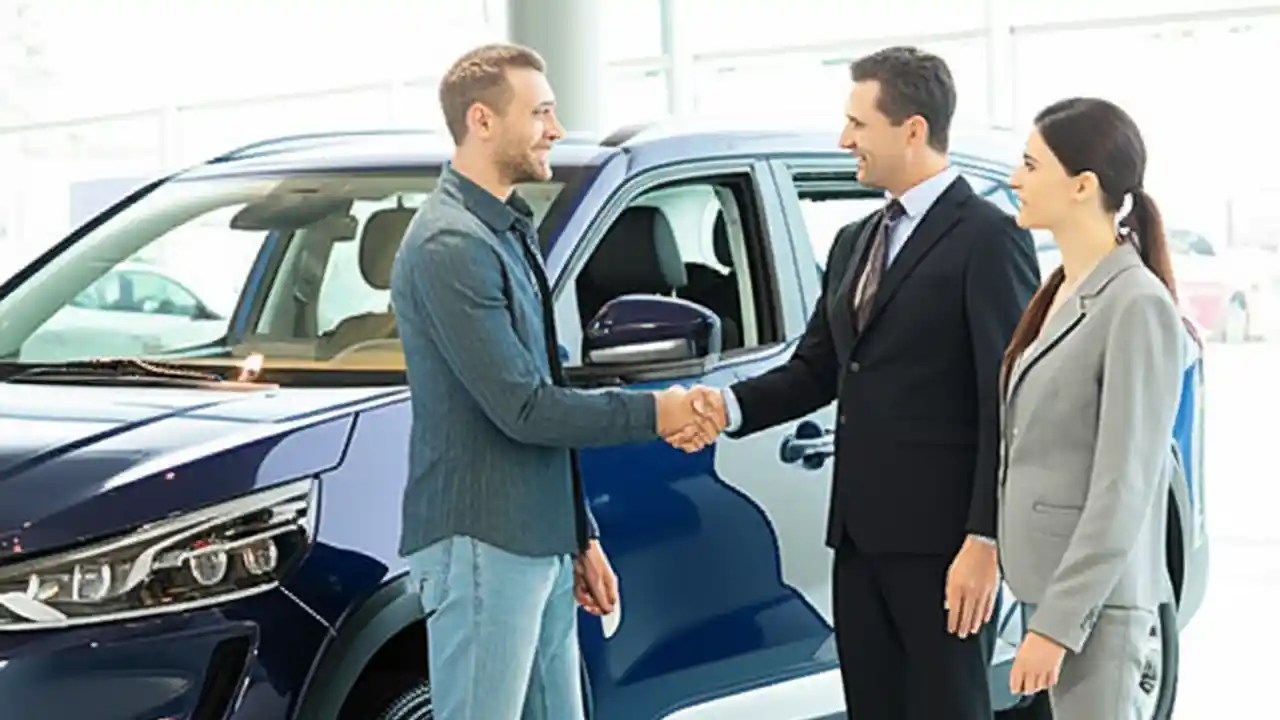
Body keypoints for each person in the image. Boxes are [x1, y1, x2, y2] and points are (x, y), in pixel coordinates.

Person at [680, 46, 1041, 719]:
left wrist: (984, 540)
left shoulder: (989, 239)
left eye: (858, 123)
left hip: (945, 548)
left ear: (912, 129)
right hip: (858, 539)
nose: (845, 139)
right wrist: (723, 405)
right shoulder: (854, 241)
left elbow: (1008, 401)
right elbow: (818, 367)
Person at [389, 43, 714, 720]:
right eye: (540, 112)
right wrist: (661, 410)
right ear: (482, 119)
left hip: (536, 539)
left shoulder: (505, 229)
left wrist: (579, 535)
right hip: (485, 541)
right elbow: (525, 408)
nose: (556, 129)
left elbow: (540, 387)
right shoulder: (452, 245)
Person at [999, 97, 1189, 719]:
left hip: (1096, 607)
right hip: (1053, 589)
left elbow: (1124, 486)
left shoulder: (1136, 304)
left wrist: (1057, 626)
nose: (1015, 179)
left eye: (1030, 165)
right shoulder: (1061, 290)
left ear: (1082, 186)